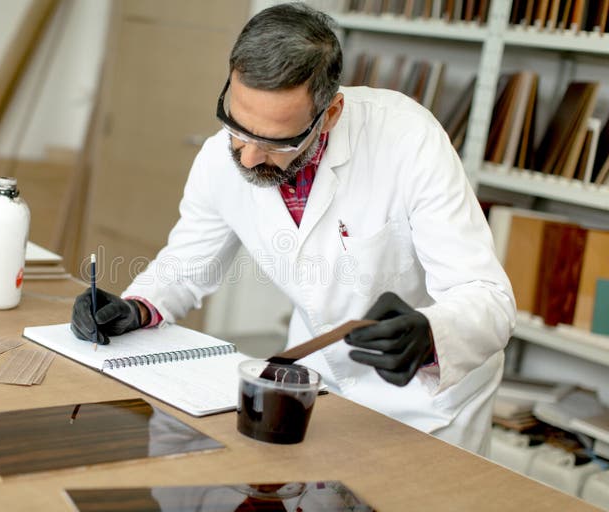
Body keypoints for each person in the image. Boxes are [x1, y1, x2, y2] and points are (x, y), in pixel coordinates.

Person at [70, 2, 515, 454]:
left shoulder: (407, 140)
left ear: (331, 113)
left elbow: (490, 298)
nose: (246, 157)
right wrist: (136, 308)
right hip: (314, 388)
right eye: (236, 128)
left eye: (276, 142)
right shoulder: (217, 159)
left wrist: (431, 333)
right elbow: (185, 266)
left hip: (425, 407)